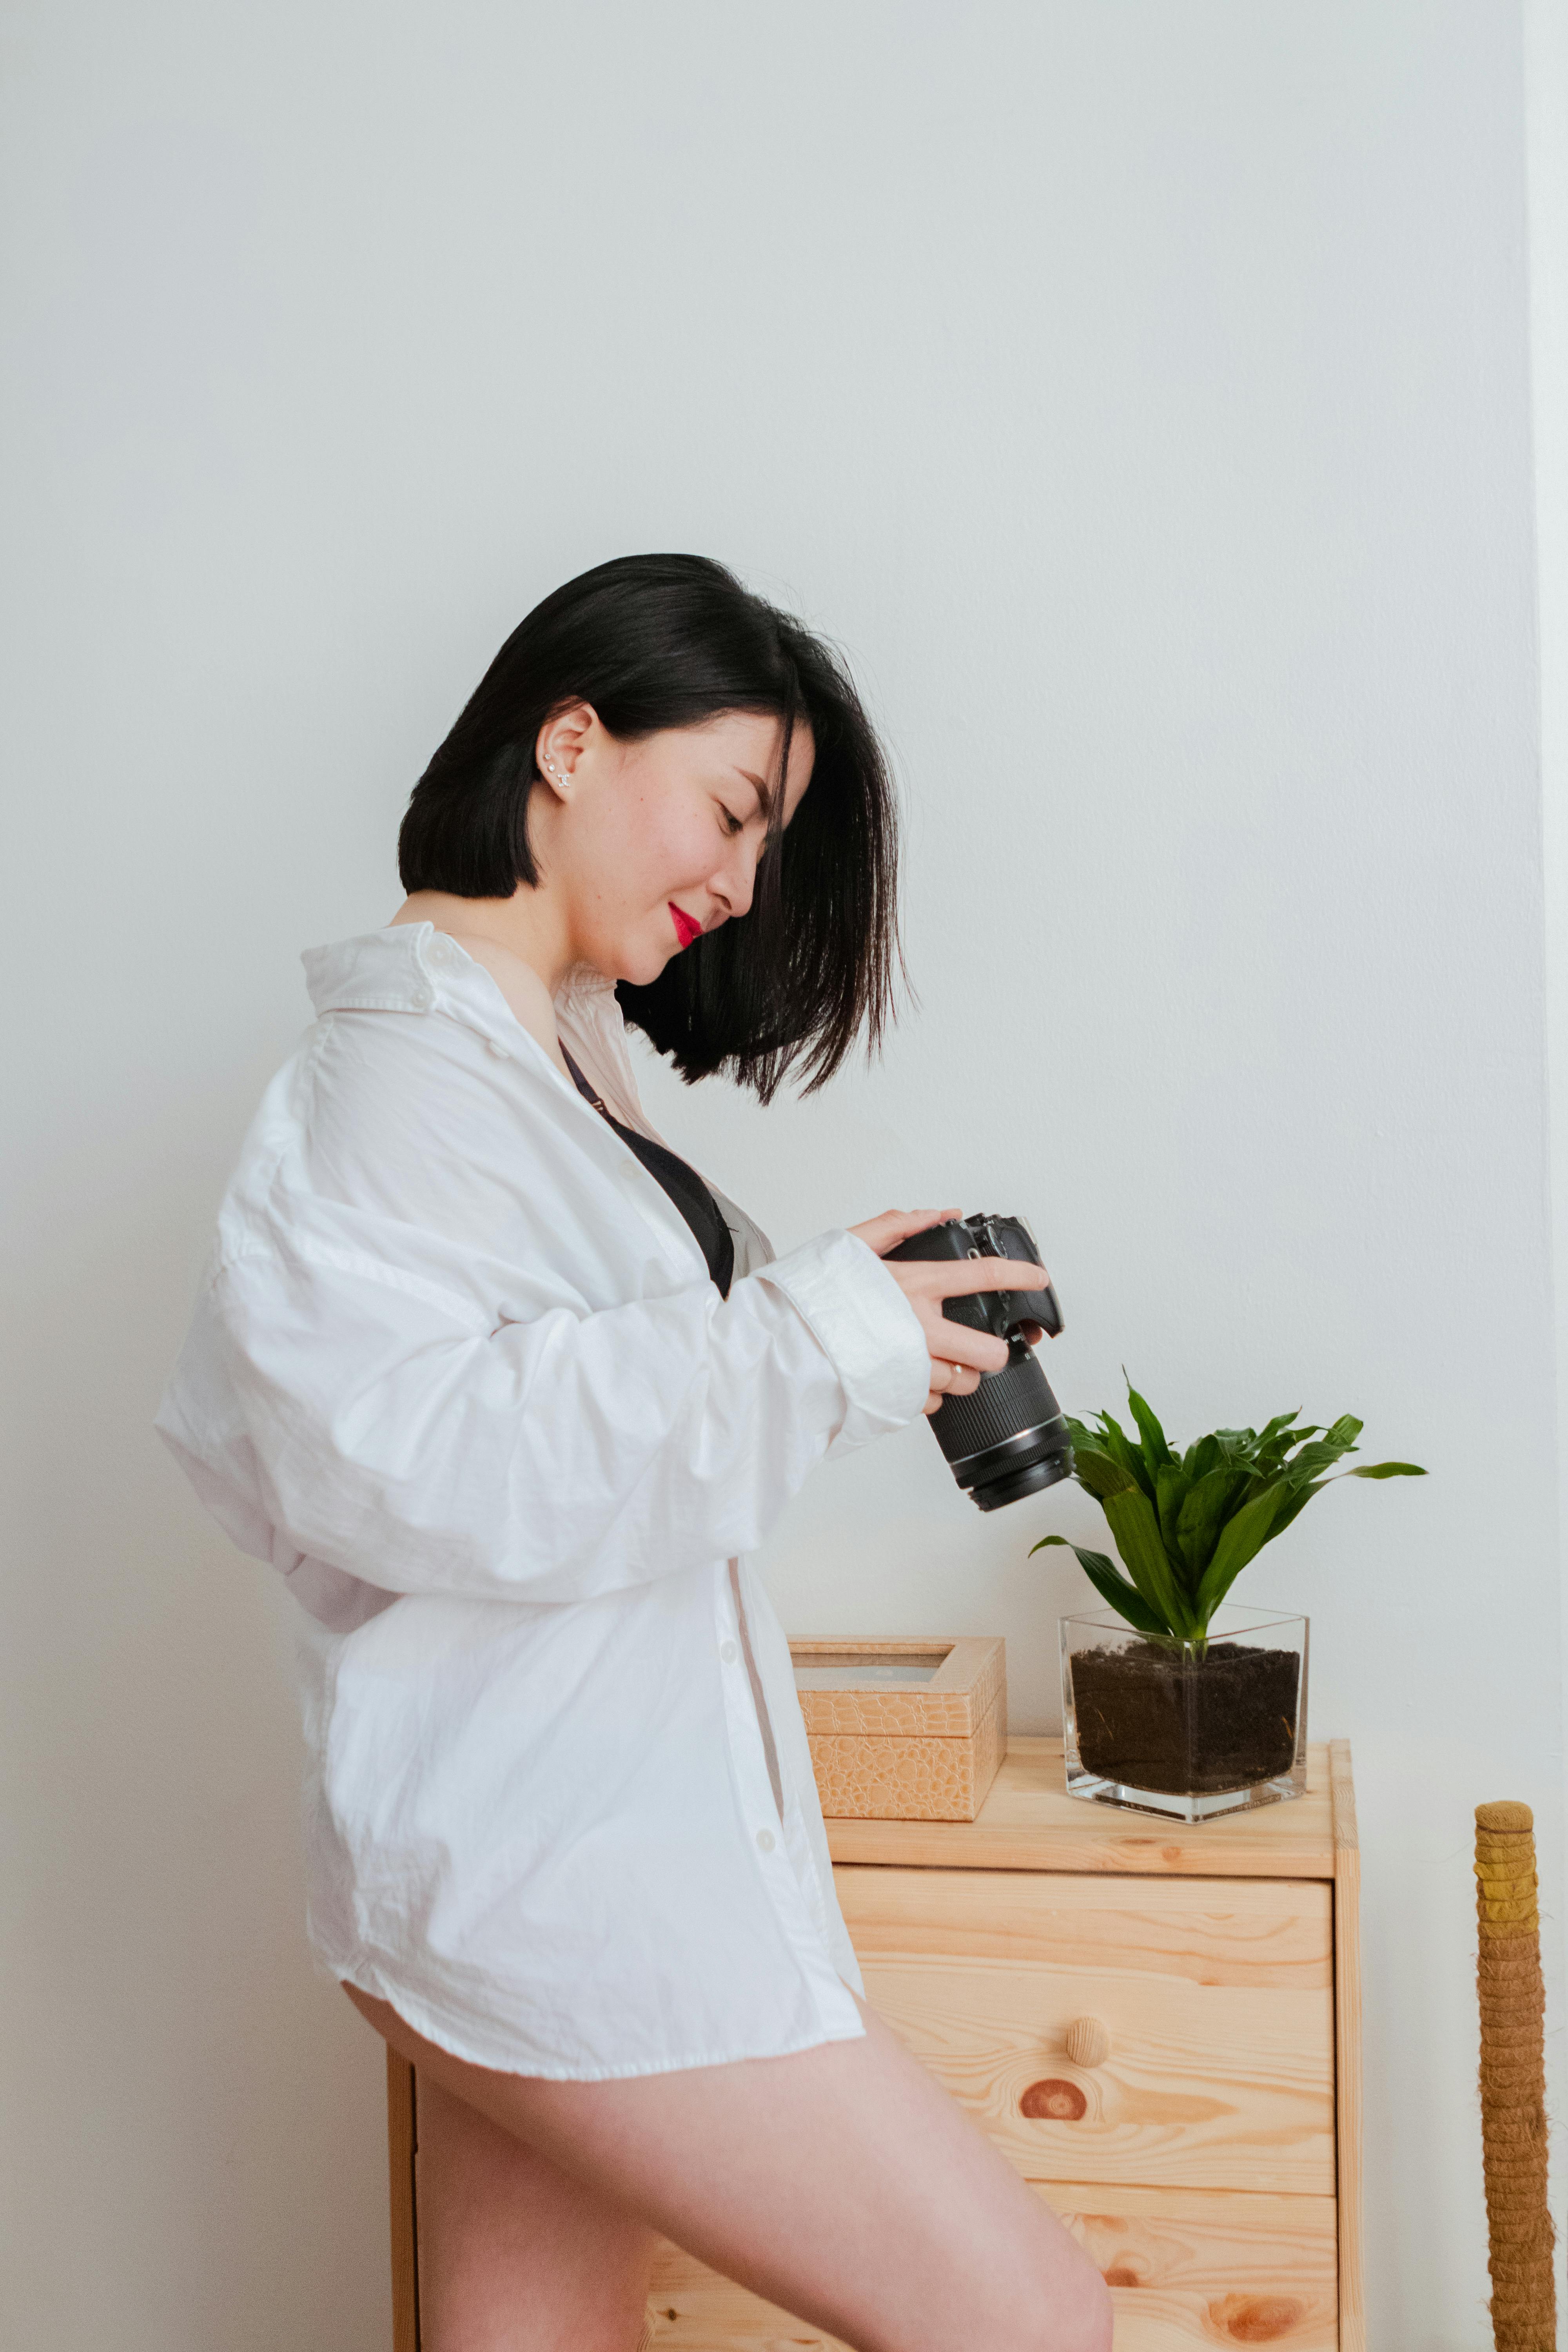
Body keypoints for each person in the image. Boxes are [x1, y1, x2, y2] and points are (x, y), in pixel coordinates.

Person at [157, 554, 1111, 2352]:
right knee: (1027, 2321)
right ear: (573, 739)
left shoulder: (551, 1058)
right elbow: (396, 1454)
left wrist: (852, 1318)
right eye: (736, 812)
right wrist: (809, 1332)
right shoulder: (398, 1079)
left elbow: (586, 1395)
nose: (741, 885)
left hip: (559, 1866)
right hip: (553, 1887)